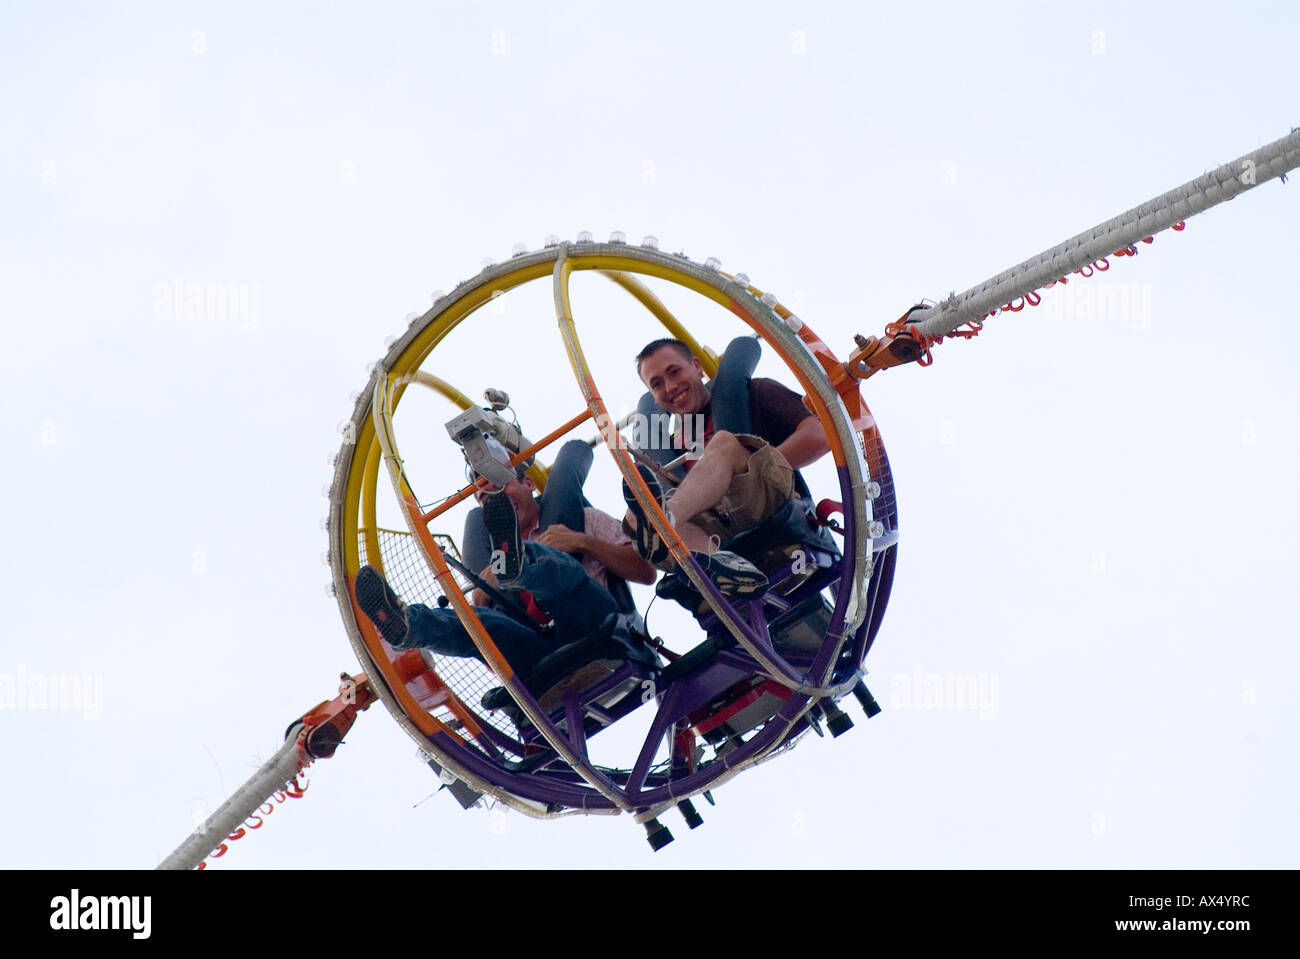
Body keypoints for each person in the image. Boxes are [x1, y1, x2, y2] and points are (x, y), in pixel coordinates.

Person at [355, 443, 655, 675]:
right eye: (485, 497)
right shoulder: (487, 569)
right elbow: (489, 650)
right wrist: (481, 599)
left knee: (556, 571)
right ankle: (409, 626)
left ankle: (519, 565)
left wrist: (582, 542)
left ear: (528, 484)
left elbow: (645, 571)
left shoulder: (582, 520)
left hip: (595, 626)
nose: (495, 497)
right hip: (536, 649)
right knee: (479, 622)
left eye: (501, 485)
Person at [622, 337, 831, 598]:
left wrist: (759, 464)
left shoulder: (752, 394)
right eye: (657, 384)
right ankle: (720, 566)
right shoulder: (670, 449)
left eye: (674, 372)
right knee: (636, 511)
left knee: (723, 444)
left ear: (697, 367)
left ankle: (666, 521)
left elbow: (819, 435)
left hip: (762, 503)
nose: (671, 386)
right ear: (653, 397)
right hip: (709, 535)